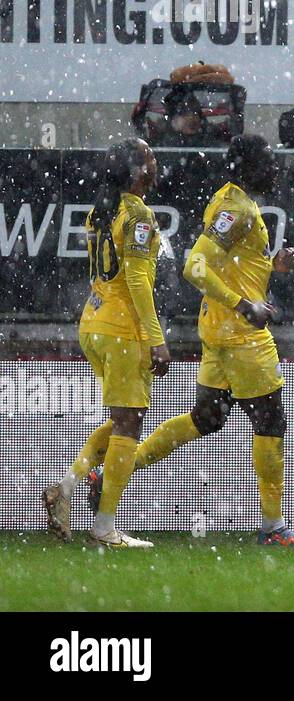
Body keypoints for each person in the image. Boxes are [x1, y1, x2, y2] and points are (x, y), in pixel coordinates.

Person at [90, 135, 294, 547]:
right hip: (241, 335)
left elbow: (229, 266)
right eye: (267, 161)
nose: (274, 167)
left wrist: (272, 267)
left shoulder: (231, 201)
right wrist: (245, 304)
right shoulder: (237, 209)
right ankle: (274, 528)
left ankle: (110, 470)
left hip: (217, 329)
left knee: (207, 418)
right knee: (270, 422)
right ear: (248, 167)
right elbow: (195, 267)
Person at [42, 139, 167, 549]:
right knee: (129, 423)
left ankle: (67, 486)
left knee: (120, 420)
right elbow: (136, 281)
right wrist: (156, 339)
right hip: (122, 330)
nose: (155, 165)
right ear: (138, 172)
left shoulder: (100, 211)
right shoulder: (139, 215)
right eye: (150, 159)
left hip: (93, 322)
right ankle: (103, 528)